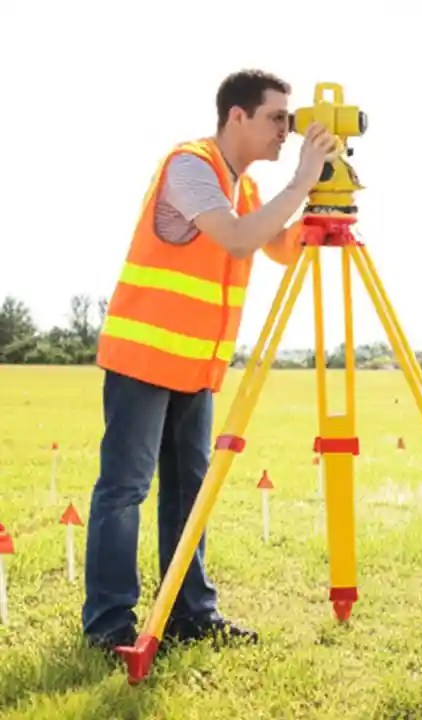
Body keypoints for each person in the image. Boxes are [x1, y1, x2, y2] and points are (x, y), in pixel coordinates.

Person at [82, 69, 338, 652]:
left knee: (189, 492)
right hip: (146, 358)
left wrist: (323, 200)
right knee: (125, 490)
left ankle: (190, 614)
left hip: (195, 367)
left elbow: (277, 245)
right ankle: (108, 624)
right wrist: (300, 179)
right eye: (277, 118)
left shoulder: (244, 188)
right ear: (237, 117)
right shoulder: (189, 166)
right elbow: (241, 239)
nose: (285, 131)